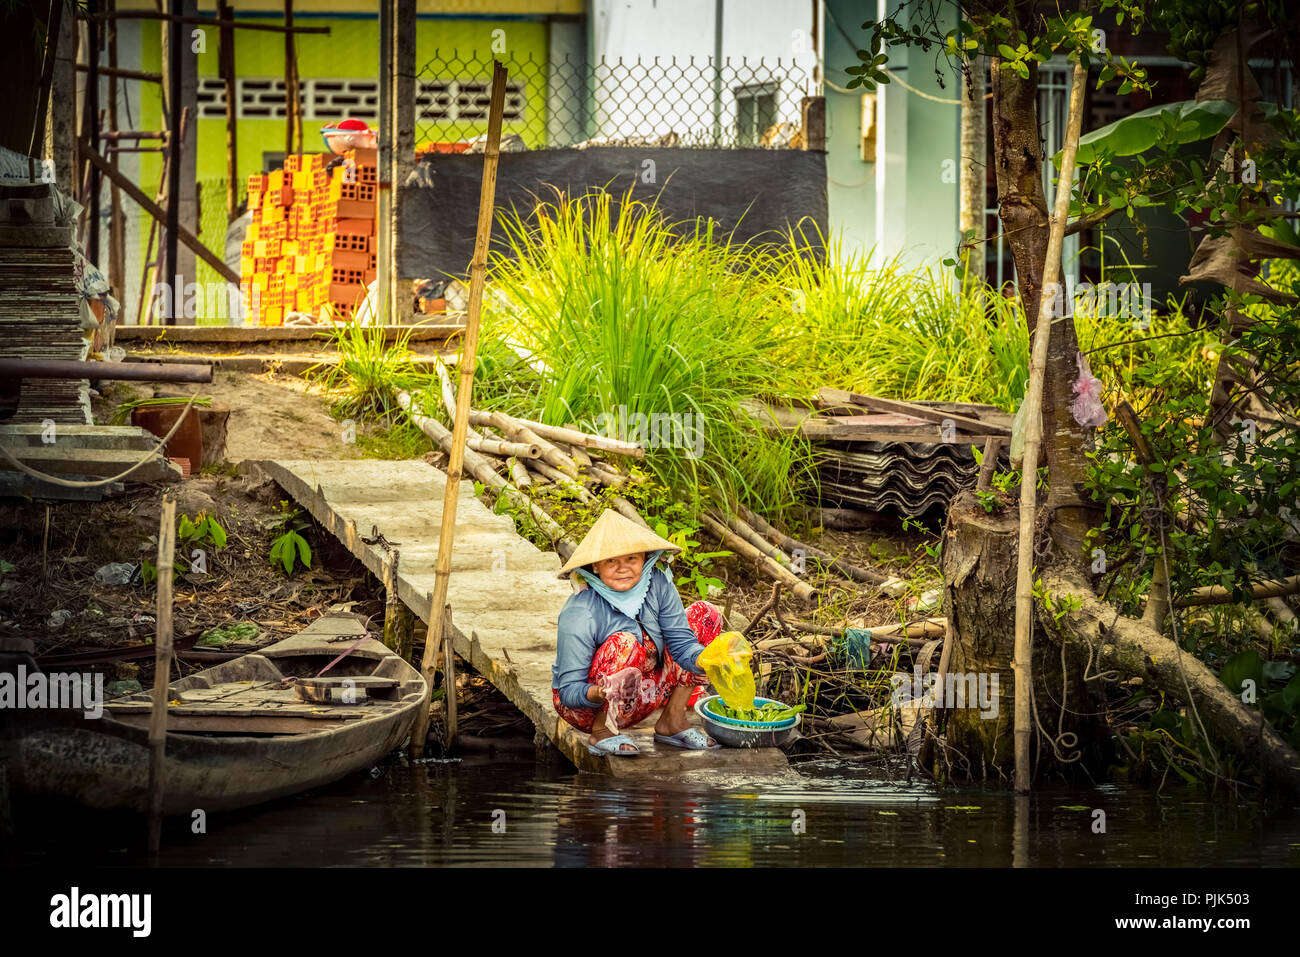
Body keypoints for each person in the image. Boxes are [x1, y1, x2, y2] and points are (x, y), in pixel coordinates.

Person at [552, 509, 725, 756]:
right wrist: (598, 692)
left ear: (644, 558)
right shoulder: (581, 609)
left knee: (705, 614)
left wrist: (706, 659)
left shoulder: (657, 583)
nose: (622, 568)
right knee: (625, 642)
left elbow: (682, 643)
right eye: (611, 561)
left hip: (645, 693)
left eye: (631, 559)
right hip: (587, 707)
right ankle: (604, 731)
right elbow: (569, 692)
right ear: (596, 566)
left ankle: (672, 722)